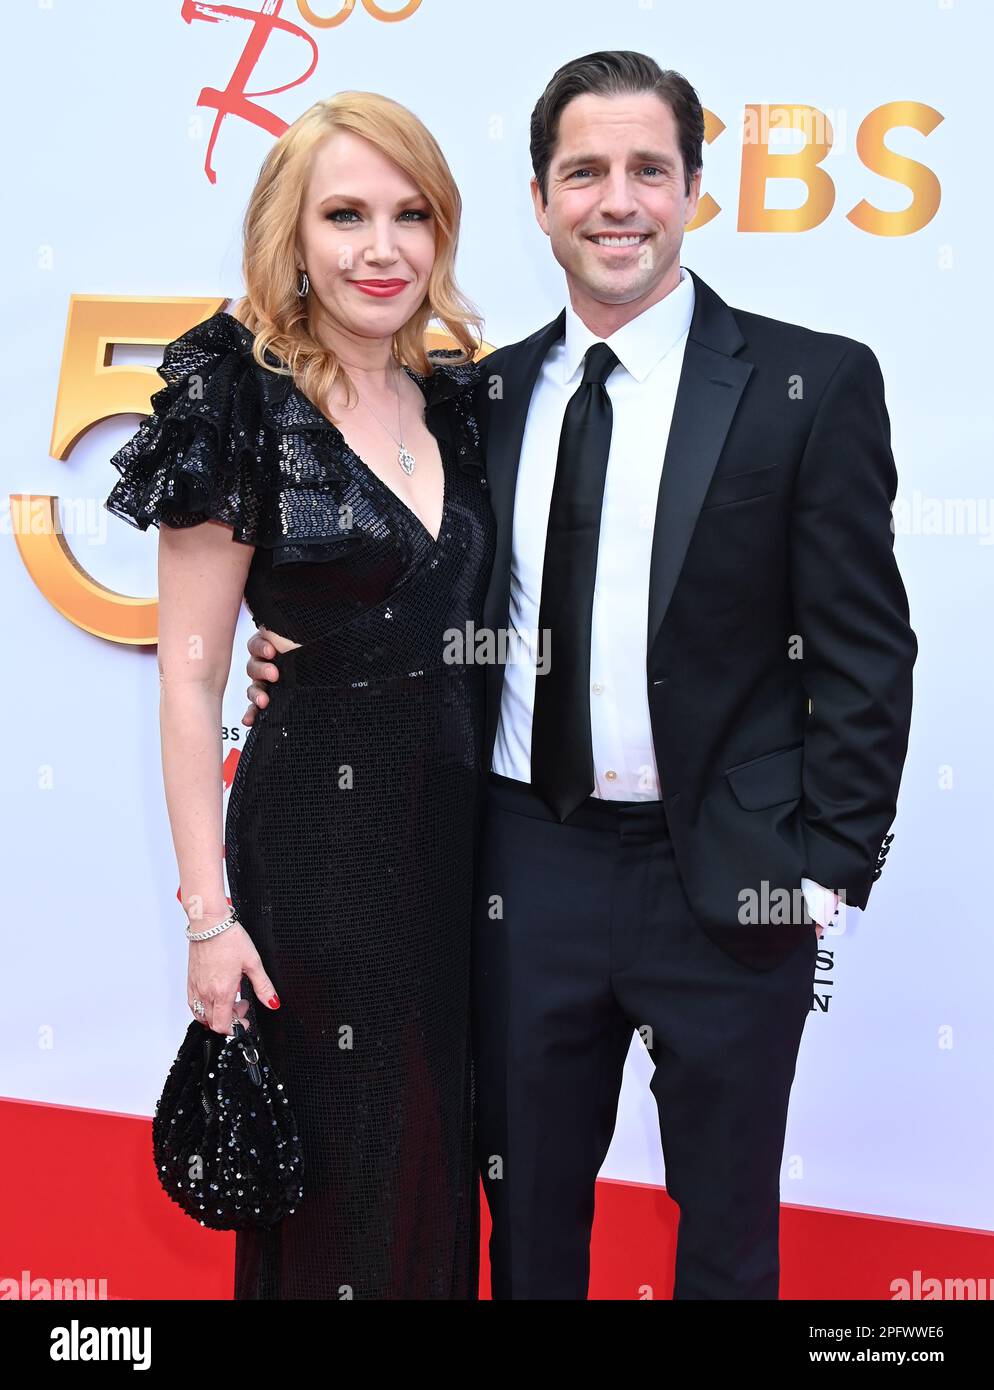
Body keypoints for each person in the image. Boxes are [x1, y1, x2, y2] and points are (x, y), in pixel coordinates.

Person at [243, 52, 917, 1299]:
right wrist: (296, 641)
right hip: (519, 867)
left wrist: (824, 874)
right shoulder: (475, 399)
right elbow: (395, 565)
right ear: (543, 200)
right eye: (584, 172)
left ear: (695, 191)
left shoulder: (807, 384)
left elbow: (867, 649)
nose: (617, 201)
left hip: (728, 874)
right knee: (529, 1234)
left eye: (647, 170)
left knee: (725, 1237)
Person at [105, 91, 495, 1300]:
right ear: (291, 232)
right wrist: (209, 918)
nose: (382, 247)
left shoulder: (463, 401)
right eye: (346, 214)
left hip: (464, 850)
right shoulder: (239, 401)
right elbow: (190, 675)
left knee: (434, 1152)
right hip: (318, 851)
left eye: (409, 213)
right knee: (344, 1163)